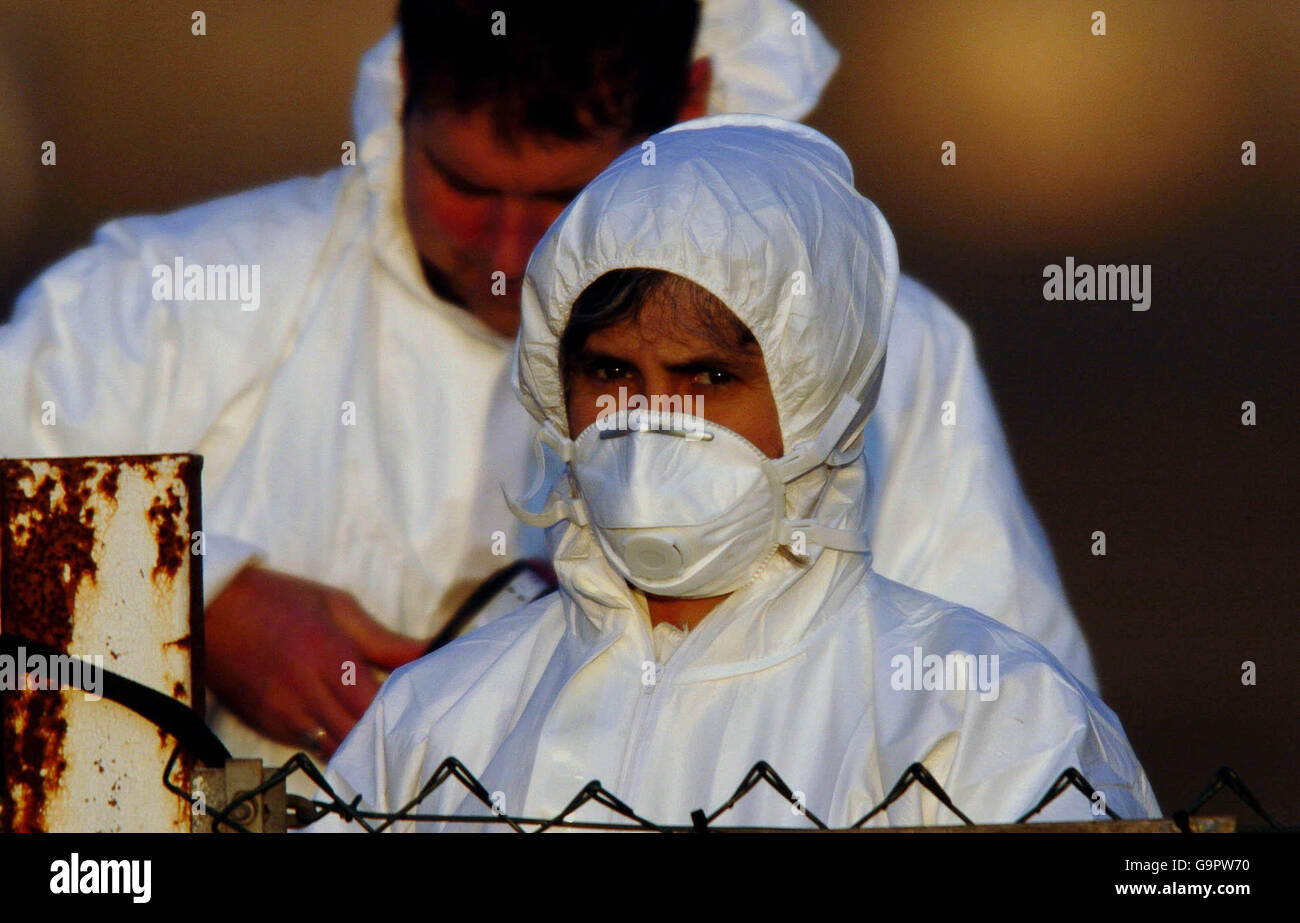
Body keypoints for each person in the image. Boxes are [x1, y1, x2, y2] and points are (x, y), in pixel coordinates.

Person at [0, 1, 1096, 792]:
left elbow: (998, 721)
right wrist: (187, 588)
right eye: (465, 184)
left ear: (691, 102)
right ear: (402, 97)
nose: (511, 249)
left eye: (565, 194)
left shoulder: (877, 342)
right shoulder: (150, 303)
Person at [308, 117, 1158, 830]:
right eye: (610, 375)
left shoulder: (984, 722)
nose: (652, 424)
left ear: (820, 395)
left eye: (707, 379)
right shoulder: (434, 721)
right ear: (550, 389)